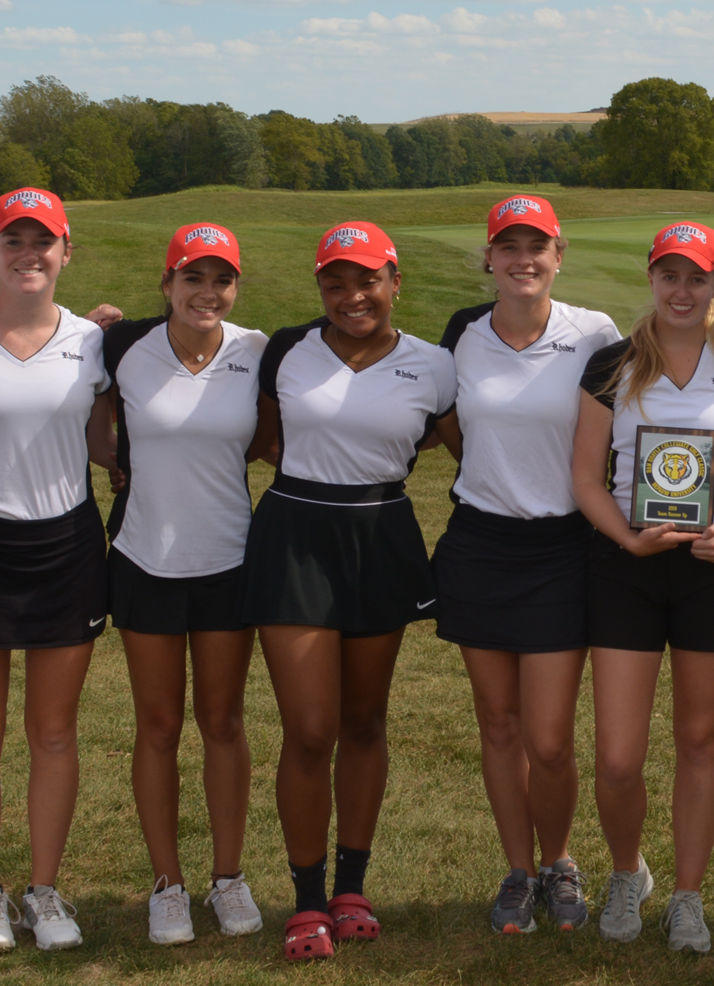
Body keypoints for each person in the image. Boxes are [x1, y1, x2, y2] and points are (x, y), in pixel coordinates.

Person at [242, 221, 456, 961]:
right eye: (335, 282)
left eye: (367, 280)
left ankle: (352, 886)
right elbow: (259, 439)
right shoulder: (286, 352)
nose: (352, 295)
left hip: (380, 532)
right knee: (309, 728)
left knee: (365, 720)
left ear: (396, 281)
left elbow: (456, 443)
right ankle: (306, 901)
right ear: (320, 288)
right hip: (296, 533)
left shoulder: (434, 365)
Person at [571, 220, 714, 955]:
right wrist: (626, 538)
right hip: (625, 566)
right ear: (651, 278)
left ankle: (687, 896)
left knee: (699, 740)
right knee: (619, 757)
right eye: (669, 275)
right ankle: (629, 872)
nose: (681, 289)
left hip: (711, 571)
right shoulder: (611, 365)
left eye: (697, 276)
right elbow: (586, 478)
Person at [0, 187, 114, 954]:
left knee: (54, 733)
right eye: (14, 240)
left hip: (66, 548)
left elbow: (110, 439)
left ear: (67, 251)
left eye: (44, 241)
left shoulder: (98, 342)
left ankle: (43, 889)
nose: (28, 254)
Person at [431, 195, 621, 934]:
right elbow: (446, 420)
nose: (523, 259)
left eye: (536, 245)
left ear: (558, 253)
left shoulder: (594, 334)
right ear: (488, 258)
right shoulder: (461, 336)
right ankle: (518, 869)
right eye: (507, 246)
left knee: (547, 736)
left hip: (564, 548)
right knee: (499, 724)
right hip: (480, 545)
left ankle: (560, 862)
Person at [100, 223, 273, 944]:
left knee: (224, 723)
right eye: (192, 278)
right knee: (159, 727)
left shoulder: (259, 350)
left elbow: (275, 433)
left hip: (230, 560)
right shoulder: (121, 348)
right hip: (145, 560)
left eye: (221, 280)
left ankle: (228, 878)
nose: (207, 293)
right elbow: (71, 367)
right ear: (166, 283)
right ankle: (167, 885)